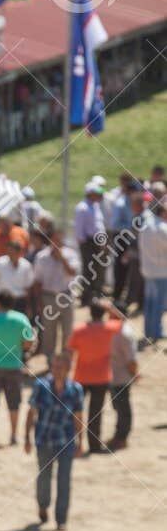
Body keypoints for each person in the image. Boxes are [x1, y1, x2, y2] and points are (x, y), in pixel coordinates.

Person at [25, 351, 84, 527]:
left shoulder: (75, 389)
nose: (56, 370)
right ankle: (43, 506)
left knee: (64, 480)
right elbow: (31, 412)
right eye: (54, 366)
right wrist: (26, 437)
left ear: (68, 369)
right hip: (44, 440)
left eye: (60, 367)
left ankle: (61, 519)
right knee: (44, 477)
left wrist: (81, 441)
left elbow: (78, 416)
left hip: (65, 440)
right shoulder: (41, 386)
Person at [0, 290, 36, 444]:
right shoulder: (21, 319)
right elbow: (29, 343)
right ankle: (14, 435)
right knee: (14, 403)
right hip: (13, 366)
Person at [68, 299, 121, 456]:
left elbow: (69, 352)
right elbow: (122, 320)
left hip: (81, 377)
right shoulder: (110, 329)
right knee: (95, 413)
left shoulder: (79, 330)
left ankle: (76, 444)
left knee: (76, 411)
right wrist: (111, 307)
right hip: (102, 377)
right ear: (103, 313)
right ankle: (94, 445)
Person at [32, 225, 80, 361]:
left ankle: (65, 359)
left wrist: (62, 258)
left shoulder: (70, 254)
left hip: (66, 296)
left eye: (59, 239)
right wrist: (39, 302)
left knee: (67, 330)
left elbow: (72, 272)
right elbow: (37, 281)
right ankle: (50, 360)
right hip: (48, 297)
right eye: (54, 239)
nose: (57, 241)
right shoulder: (41, 257)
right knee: (49, 331)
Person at [137, 192, 167, 343]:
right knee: (159, 304)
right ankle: (156, 332)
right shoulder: (163, 228)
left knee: (149, 303)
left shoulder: (145, 226)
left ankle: (149, 330)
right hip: (161, 272)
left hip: (148, 270)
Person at [73, 178, 108, 304]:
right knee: (88, 269)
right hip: (88, 242)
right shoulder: (82, 208)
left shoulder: (95, 206)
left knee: (97, 268)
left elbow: (99, 224)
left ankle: (95, 293)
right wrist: (83, 243)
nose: (98, 195)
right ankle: (86, 296)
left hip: (96, 241)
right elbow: (79, 228)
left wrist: (102, 241)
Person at [108, 304, 138, 450]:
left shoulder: (125, 334)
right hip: (113, 376)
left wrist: (134, 374)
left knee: (123, 408)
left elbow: (131, 360)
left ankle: (122, 438)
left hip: (121, 378)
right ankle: (119, 435)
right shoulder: (112, 329)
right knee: (118, 406)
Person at [0, 235, 34, 314]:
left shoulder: (26, 266)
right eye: (9, 251)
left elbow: (28, 288)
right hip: (2, 302)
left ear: (20, 252)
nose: (11, 254)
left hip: (20, 302)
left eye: (14, 252)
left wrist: (28, 306)